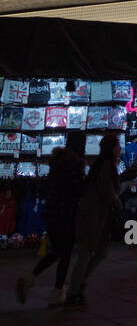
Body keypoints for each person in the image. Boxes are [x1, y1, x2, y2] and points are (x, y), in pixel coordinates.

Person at [15, 130, 87, 307]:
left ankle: (35, 280)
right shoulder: (75, 164)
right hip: (66, 212)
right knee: (64, 253)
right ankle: (53, 290)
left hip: (53, 211)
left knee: (59, 251)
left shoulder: (58, 161)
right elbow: (77, 190)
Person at [64, 133, 124, 308]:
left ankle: (77, 286)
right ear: (111, 148)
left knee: (96, 252)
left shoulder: (102, 164)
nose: (119, 149)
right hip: (93, 215)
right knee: (88, 253)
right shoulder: (106, 165)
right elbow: (106, 191)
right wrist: (117, 202)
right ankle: (74, 291)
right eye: (117, 146)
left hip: (95, 214)